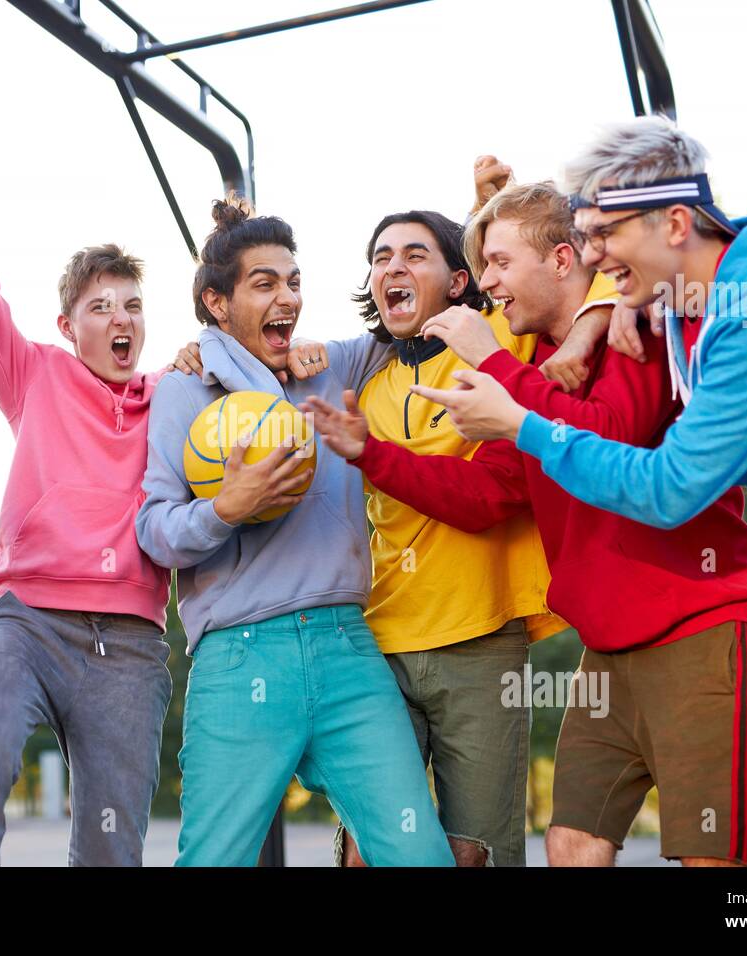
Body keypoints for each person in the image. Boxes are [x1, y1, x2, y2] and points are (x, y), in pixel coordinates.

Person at [0, 52, 322, 865]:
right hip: (26, 616)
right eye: (100, 307)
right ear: (70, 326)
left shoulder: (177, 392)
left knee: (111, 834)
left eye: (132, 305)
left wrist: (289, 348)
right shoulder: (34, 373)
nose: (120, 318)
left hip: (129, 640)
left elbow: (248, 355)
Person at [438, 116, 747, 866]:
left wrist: (524, 423)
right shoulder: (693, 295)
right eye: (584, 239)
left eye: (603, 238)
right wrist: (604, 299)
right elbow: (568, 254)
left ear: (679, 221)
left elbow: (668, 488)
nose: (591, 257)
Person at [306, 181, 747, 865]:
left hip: (700, 624)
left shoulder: (633, 325)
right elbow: (490, 491)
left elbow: (610, 432)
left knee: (711, 855)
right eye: (487, 266)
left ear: (562, 261)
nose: (487, 286)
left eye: (497, 266)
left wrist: (495, 367)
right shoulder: (532, 369)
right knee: (571, 844)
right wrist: (371, 454)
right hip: (608, 646)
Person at [137, 198, 454, 866]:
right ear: (216, 303)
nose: (288, 297)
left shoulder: (330, 366)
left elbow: (416, 315)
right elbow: (156, 533)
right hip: (240, 658)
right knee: (213, 859)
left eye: (294, 282)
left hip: (347, 649)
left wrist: (481, 214)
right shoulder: (184, 390)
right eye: (265, 284)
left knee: (418, 852)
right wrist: (227, 506)